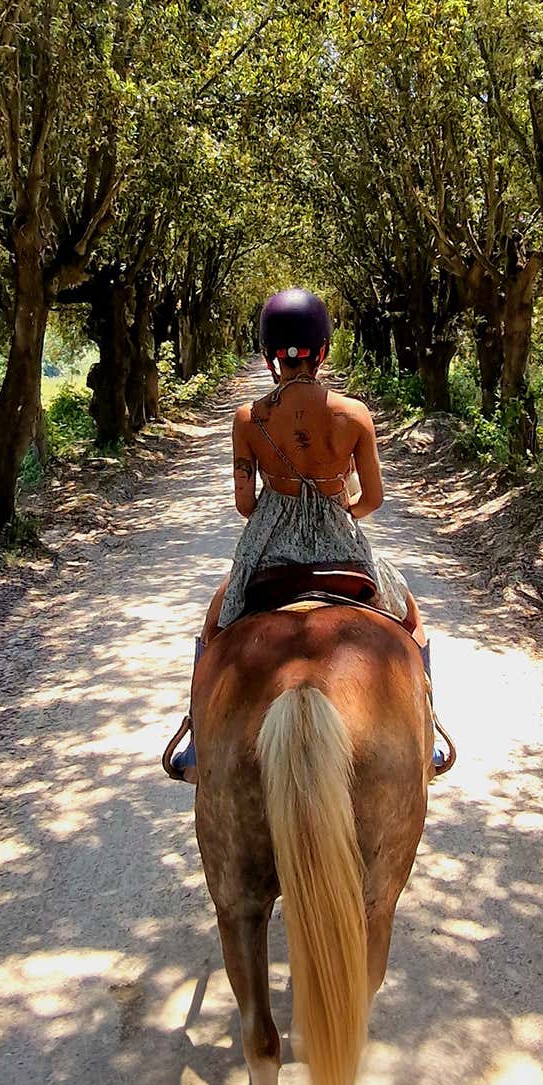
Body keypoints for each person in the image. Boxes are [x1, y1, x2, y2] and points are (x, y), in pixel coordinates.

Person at [164, 287, 452, 783]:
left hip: (268, 546)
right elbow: (373, 499)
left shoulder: (249, 419)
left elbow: (245, 505)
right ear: (322, 351)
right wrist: (338, 511)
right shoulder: (353, 415)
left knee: (217, 619)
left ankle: (196, 737)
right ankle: (429, 733)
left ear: (268, 355)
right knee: (408, 613)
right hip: (342, 541)